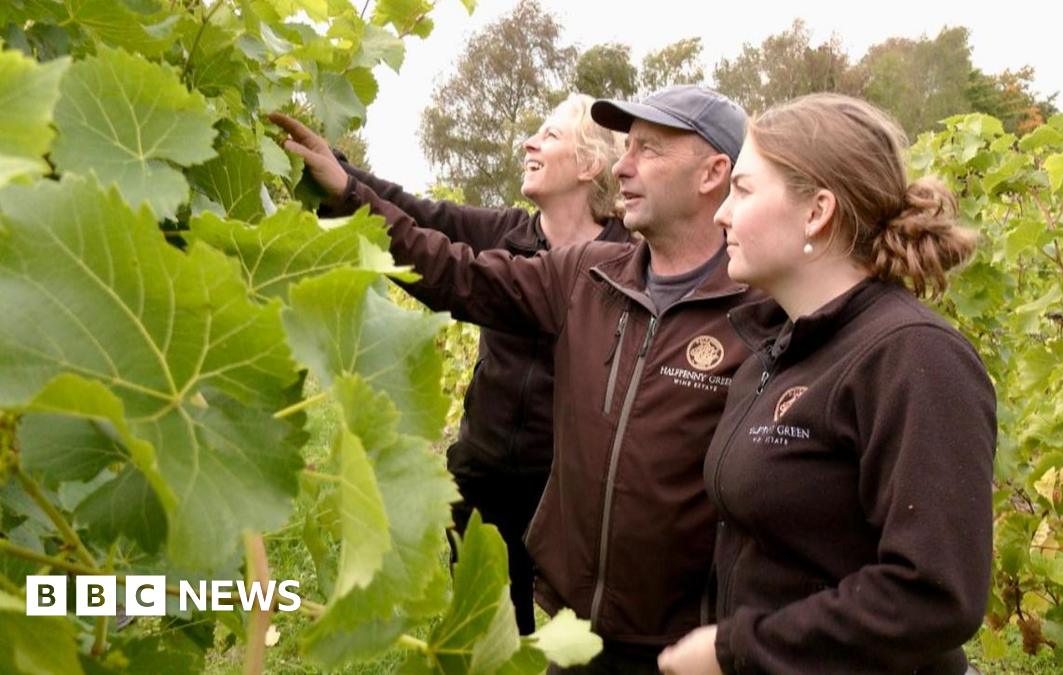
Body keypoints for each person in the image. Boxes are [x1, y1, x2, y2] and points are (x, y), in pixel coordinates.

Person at [276, 85, 757, 673]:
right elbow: (456, 269)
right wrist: (350, 191)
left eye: (648, 150)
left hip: (690, 645)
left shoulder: (761, 312)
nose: (623, 165)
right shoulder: (590, 274)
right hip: (577, 625)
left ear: (714, 174)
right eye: (624, 147)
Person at [657, 93, 996, 674]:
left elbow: (935, 595)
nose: (721, 213)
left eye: (743, 190)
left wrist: (736, 649)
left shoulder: (913, 357)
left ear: (816, 211)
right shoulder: (775, 350)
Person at [269, 93, 630, 636]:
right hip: (483, 473)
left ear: (589, 165)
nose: (528, 142)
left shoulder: (626, 261)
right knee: (484, 627)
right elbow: (418, 213)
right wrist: (341, 175)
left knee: (569, 635)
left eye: (550, 136)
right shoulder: (506, 232)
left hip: (564, 487)